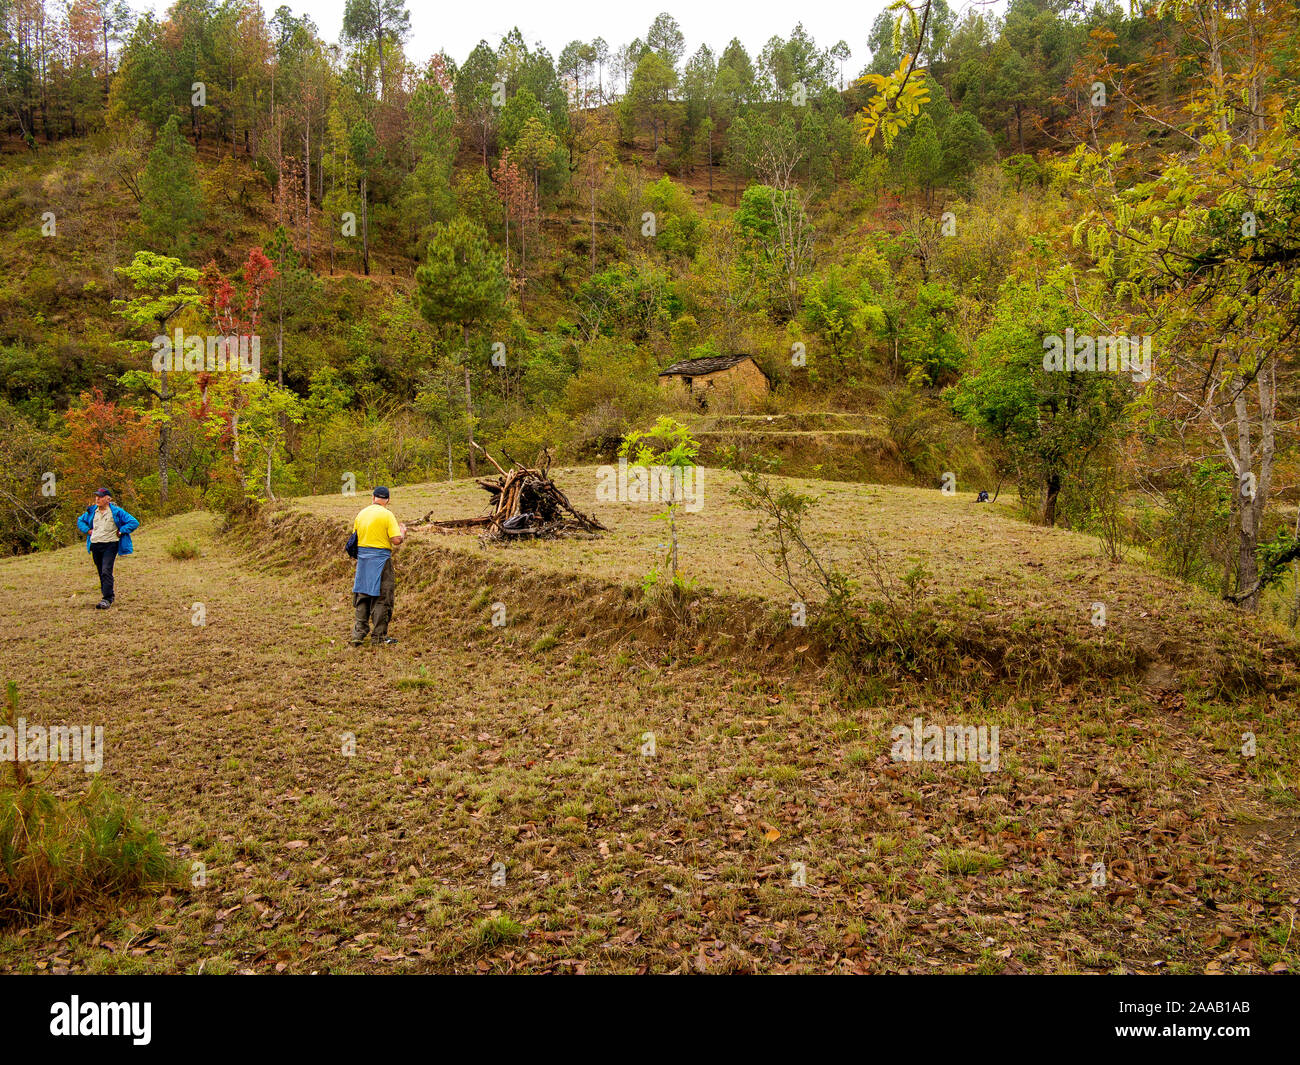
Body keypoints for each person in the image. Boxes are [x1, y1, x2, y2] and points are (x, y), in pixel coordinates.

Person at [351, 487, 406, 646]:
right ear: (388, 500)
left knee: (362, 595)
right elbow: (396, 540)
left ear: (373, 497)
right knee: (382, 597)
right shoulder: (388, 515)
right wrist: (402, 532)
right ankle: (379, 637)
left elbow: (355, 536)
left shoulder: (361, 514)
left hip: (363, 561)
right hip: (381, 561)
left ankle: (358, 634)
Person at [75, 488, 140, 609]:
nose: (97, 499)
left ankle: (107, 598)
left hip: (110, 544)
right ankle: (108, 595)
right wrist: (88, 530)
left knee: (106, 571)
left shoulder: (116, 511)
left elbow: (133, 522)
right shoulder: (92, 511)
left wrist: (121, 531)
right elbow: (80, 521)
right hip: (95, 545)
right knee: (101, 572)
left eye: (100, 497)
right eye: (96, 496)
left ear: (108, 499)